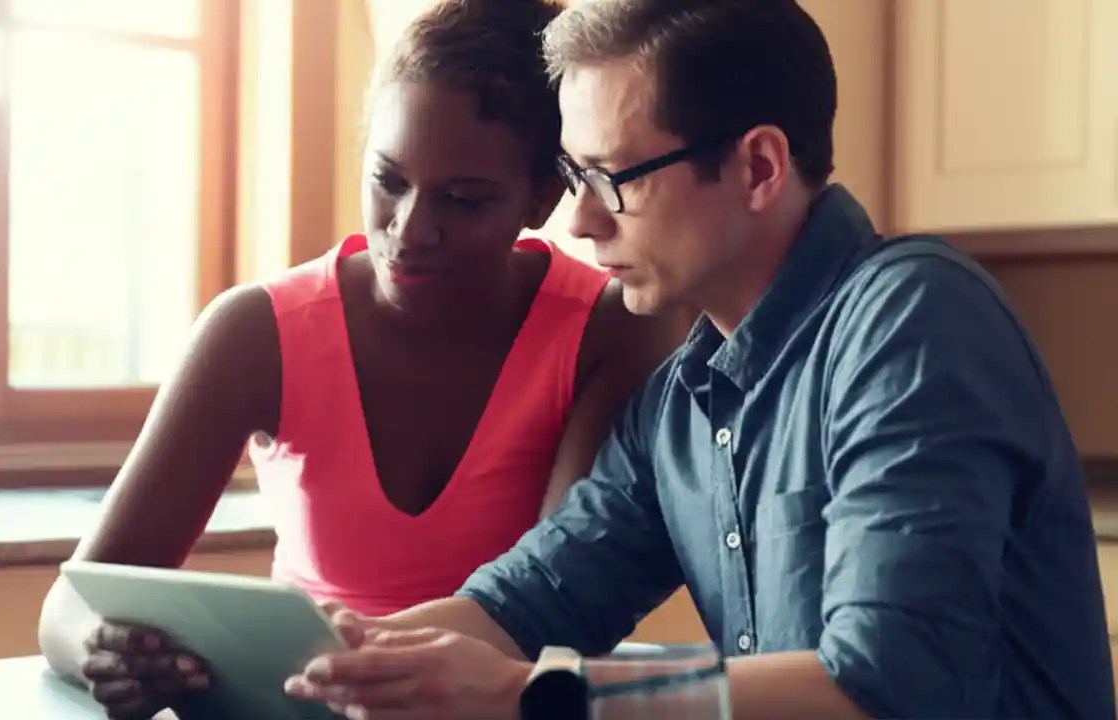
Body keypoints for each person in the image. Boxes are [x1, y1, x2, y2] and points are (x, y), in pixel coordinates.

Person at [282, 1, 1117, 718]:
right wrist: (311, 660)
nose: (581, 221)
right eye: (574, 174)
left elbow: (887, 687)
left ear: (758, 167)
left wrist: (524, 694)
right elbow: (524, 603)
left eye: (611, 177)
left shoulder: (911, 320)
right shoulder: (682, 400)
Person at [36, 0, 686, 717]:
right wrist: (104, 649)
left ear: (541, 198)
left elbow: (557, 605)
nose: (410, 230)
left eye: (462, 200)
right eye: (388, 180)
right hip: (295, 703)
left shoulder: (610, 329)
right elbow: (72, 601)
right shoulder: (255, 332)